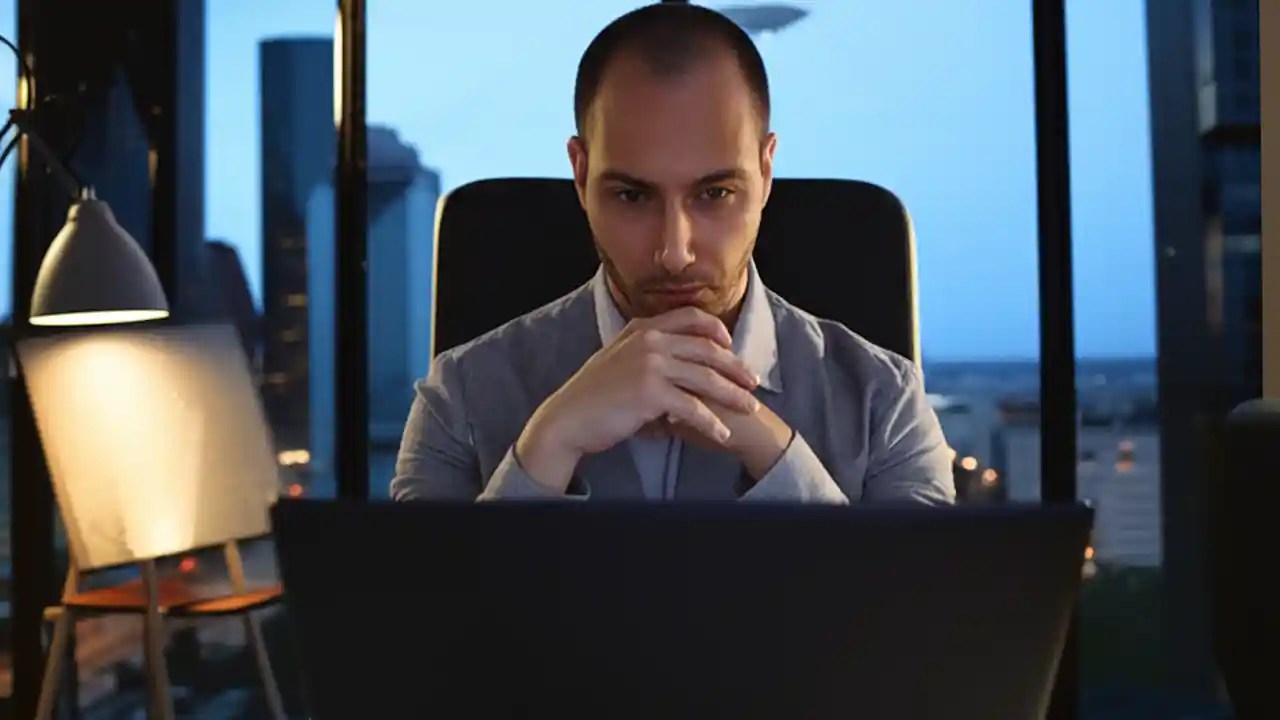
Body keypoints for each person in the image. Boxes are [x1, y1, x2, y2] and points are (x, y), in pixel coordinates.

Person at [391, 3, 954, 505]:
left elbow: (913, 619)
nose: (675, 252)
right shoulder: (459, 397)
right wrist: (549, 444)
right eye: (632, 195)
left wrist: (764, 443)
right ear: (581, 176)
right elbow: (420, 621)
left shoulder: (886, 402)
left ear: (765, 172)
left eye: (714, 194)